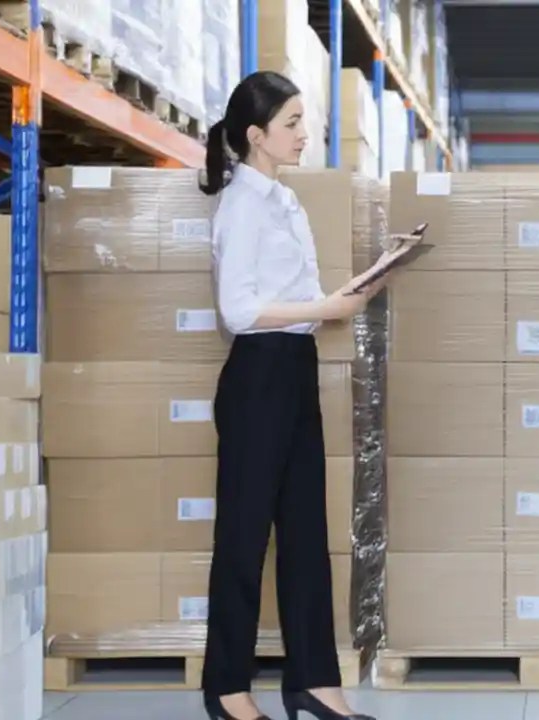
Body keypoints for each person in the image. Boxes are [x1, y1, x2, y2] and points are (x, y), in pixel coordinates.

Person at [198, 70, 406, 720]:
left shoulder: (284, 201)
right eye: (290, 123)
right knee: (242, 538)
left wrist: (353, 293)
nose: (302, 132)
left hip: (295, 366)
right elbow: (237, 310)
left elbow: (302, 304)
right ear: (256, 136)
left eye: (301, 120)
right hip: (258, 377)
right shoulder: (242, 205)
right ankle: (227, 689)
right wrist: (324, 304)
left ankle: (314, 683)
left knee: (305, 535)